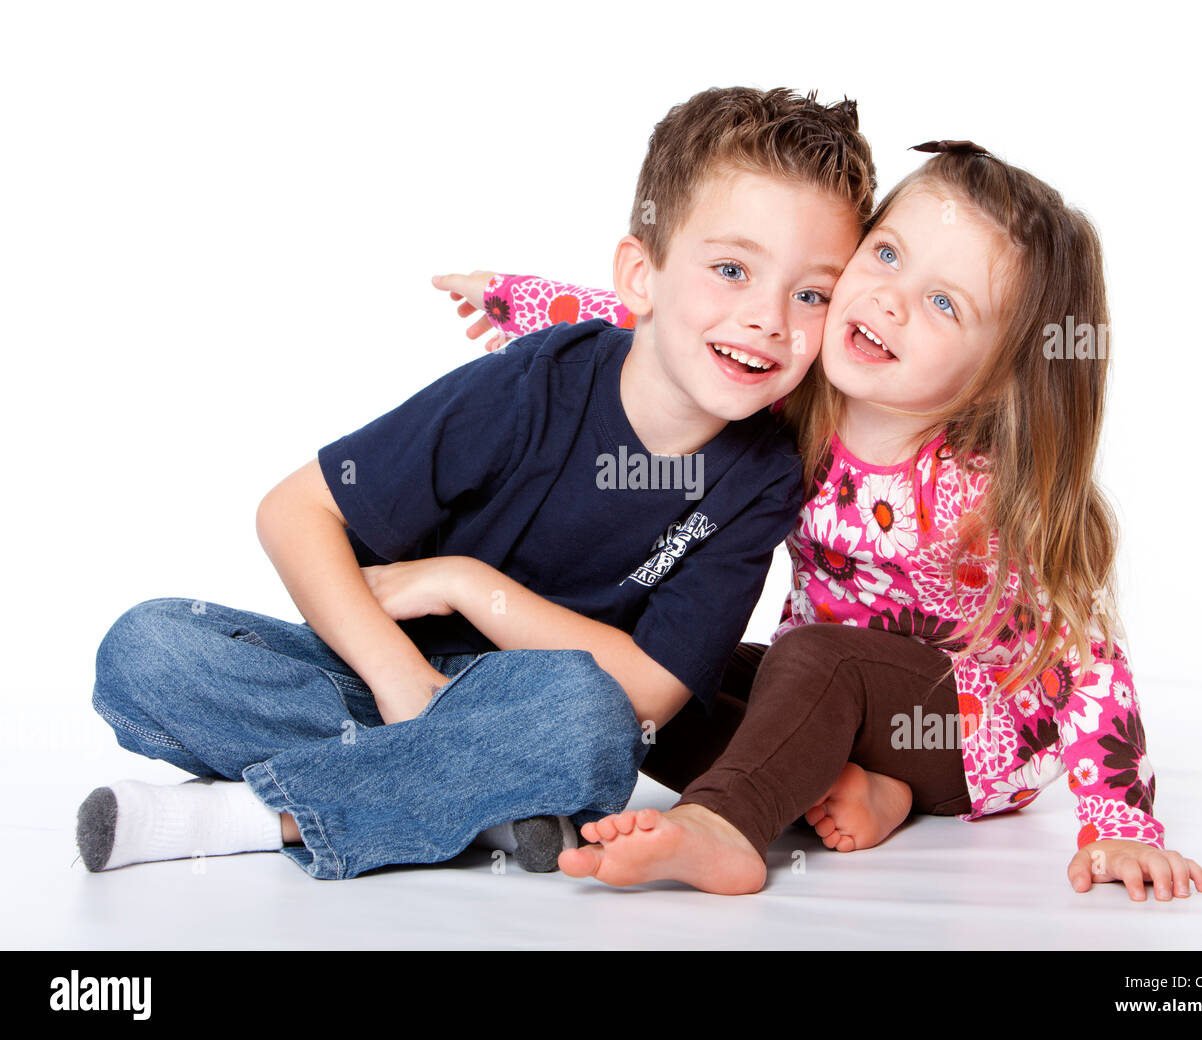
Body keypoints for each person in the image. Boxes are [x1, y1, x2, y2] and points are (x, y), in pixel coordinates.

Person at [74, 86, 873, 879]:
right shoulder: (533, 384)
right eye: (732, 268)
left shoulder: (762, 476)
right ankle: (482, 805)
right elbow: (295, 511)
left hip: (540, 710)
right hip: (372, 673)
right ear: (641, 275)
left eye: (812, 294)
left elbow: (651, 695)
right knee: (147, 650)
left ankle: (255, 817)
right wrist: (400, 681)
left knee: (593, 722)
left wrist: (462, 583)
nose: (770, 317)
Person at [444, 142, 1202, 900]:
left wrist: (1118, 821)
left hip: (969, 734)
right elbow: (675, 331)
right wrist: (522, 300)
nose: (889, 299)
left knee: (819, 658)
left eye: (944, 304)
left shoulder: (978, 493)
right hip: (826, 694)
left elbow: (1086, 653)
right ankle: (855, 789)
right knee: (672, 679)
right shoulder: (797, 401)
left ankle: (725, 828)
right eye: (885, 255)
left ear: (996, 374)